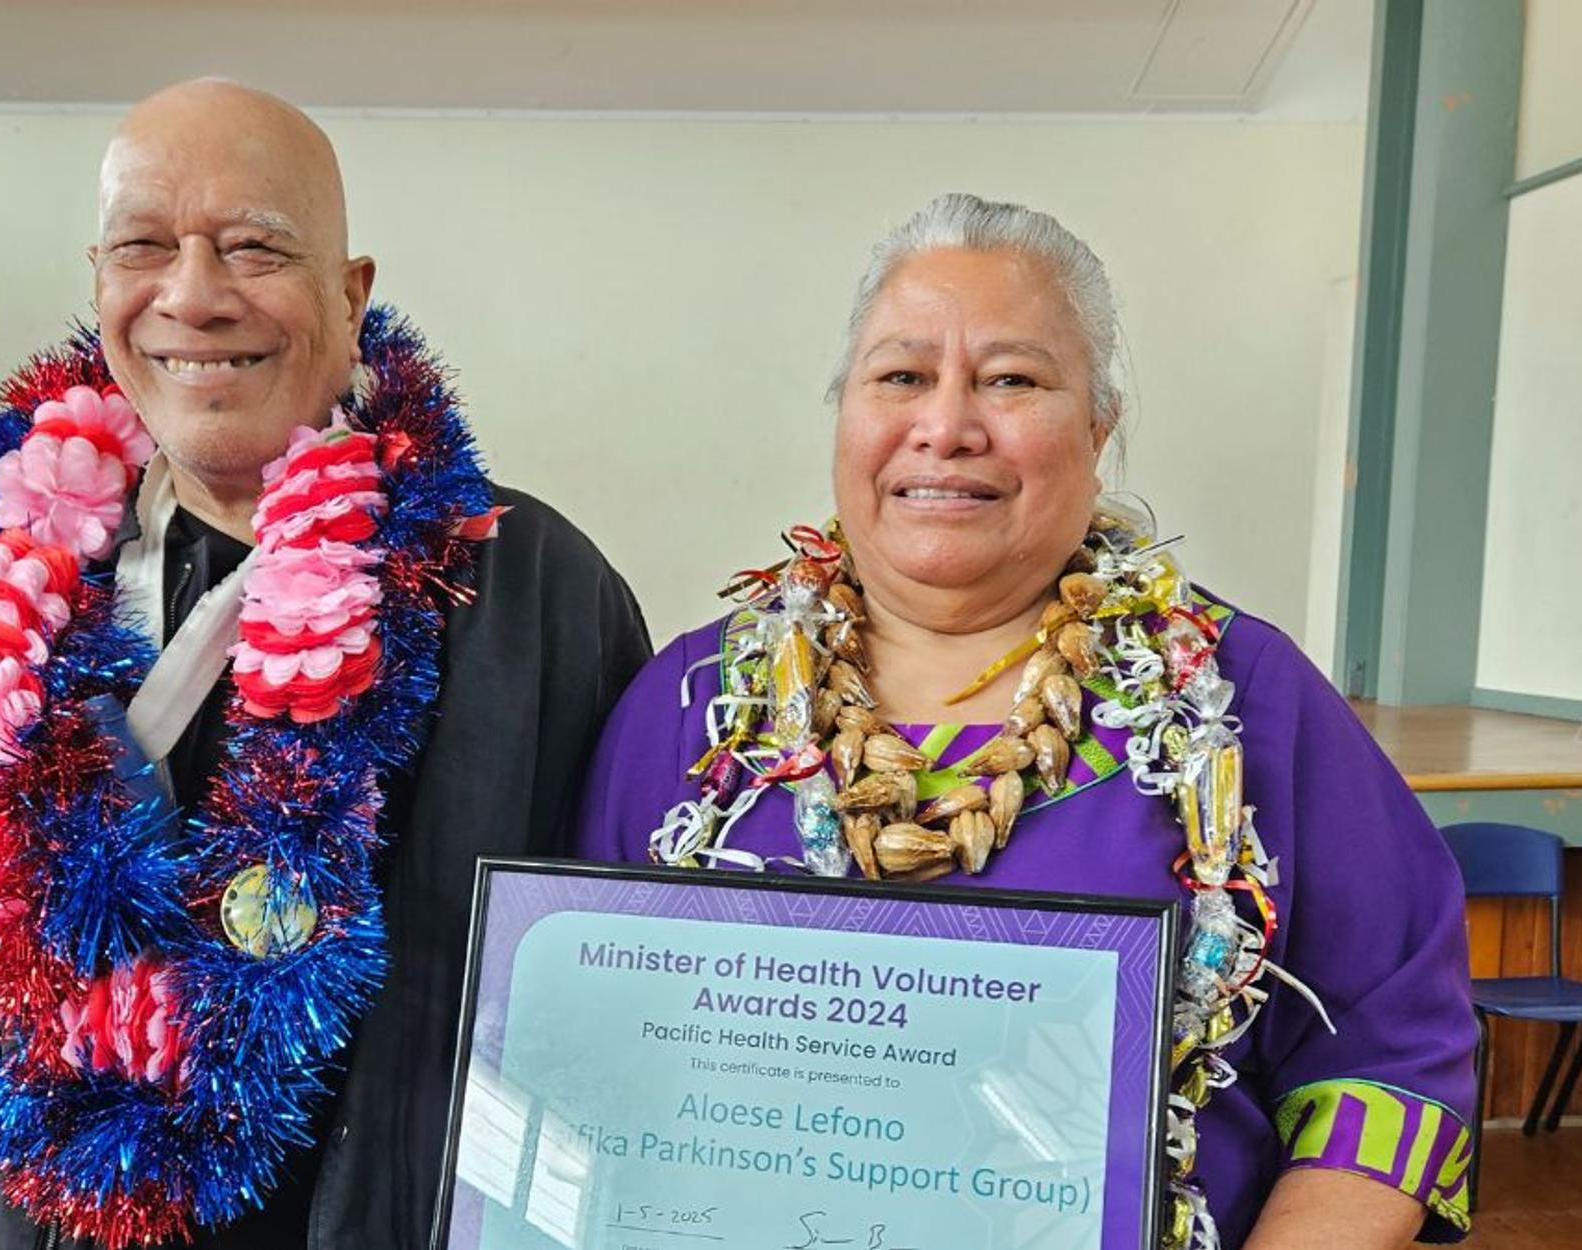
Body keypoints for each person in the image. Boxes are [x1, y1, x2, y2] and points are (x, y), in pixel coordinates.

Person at [0, 79, 649, 1250]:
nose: (194, 294)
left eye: (255, 247)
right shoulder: (10, 606)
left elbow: (619, 998)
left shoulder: (533, 588)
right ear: (100, 282)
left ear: (351, 292)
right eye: (144, 246)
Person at [573, 194, 1475, 1249]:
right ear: (845, 415)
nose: (947, 426)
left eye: (1011, 379)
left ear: (1099, 427)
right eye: (901, 375)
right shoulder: (694, 710)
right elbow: (585, 1052)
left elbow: (1394, 1051)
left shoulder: (1243, 699)